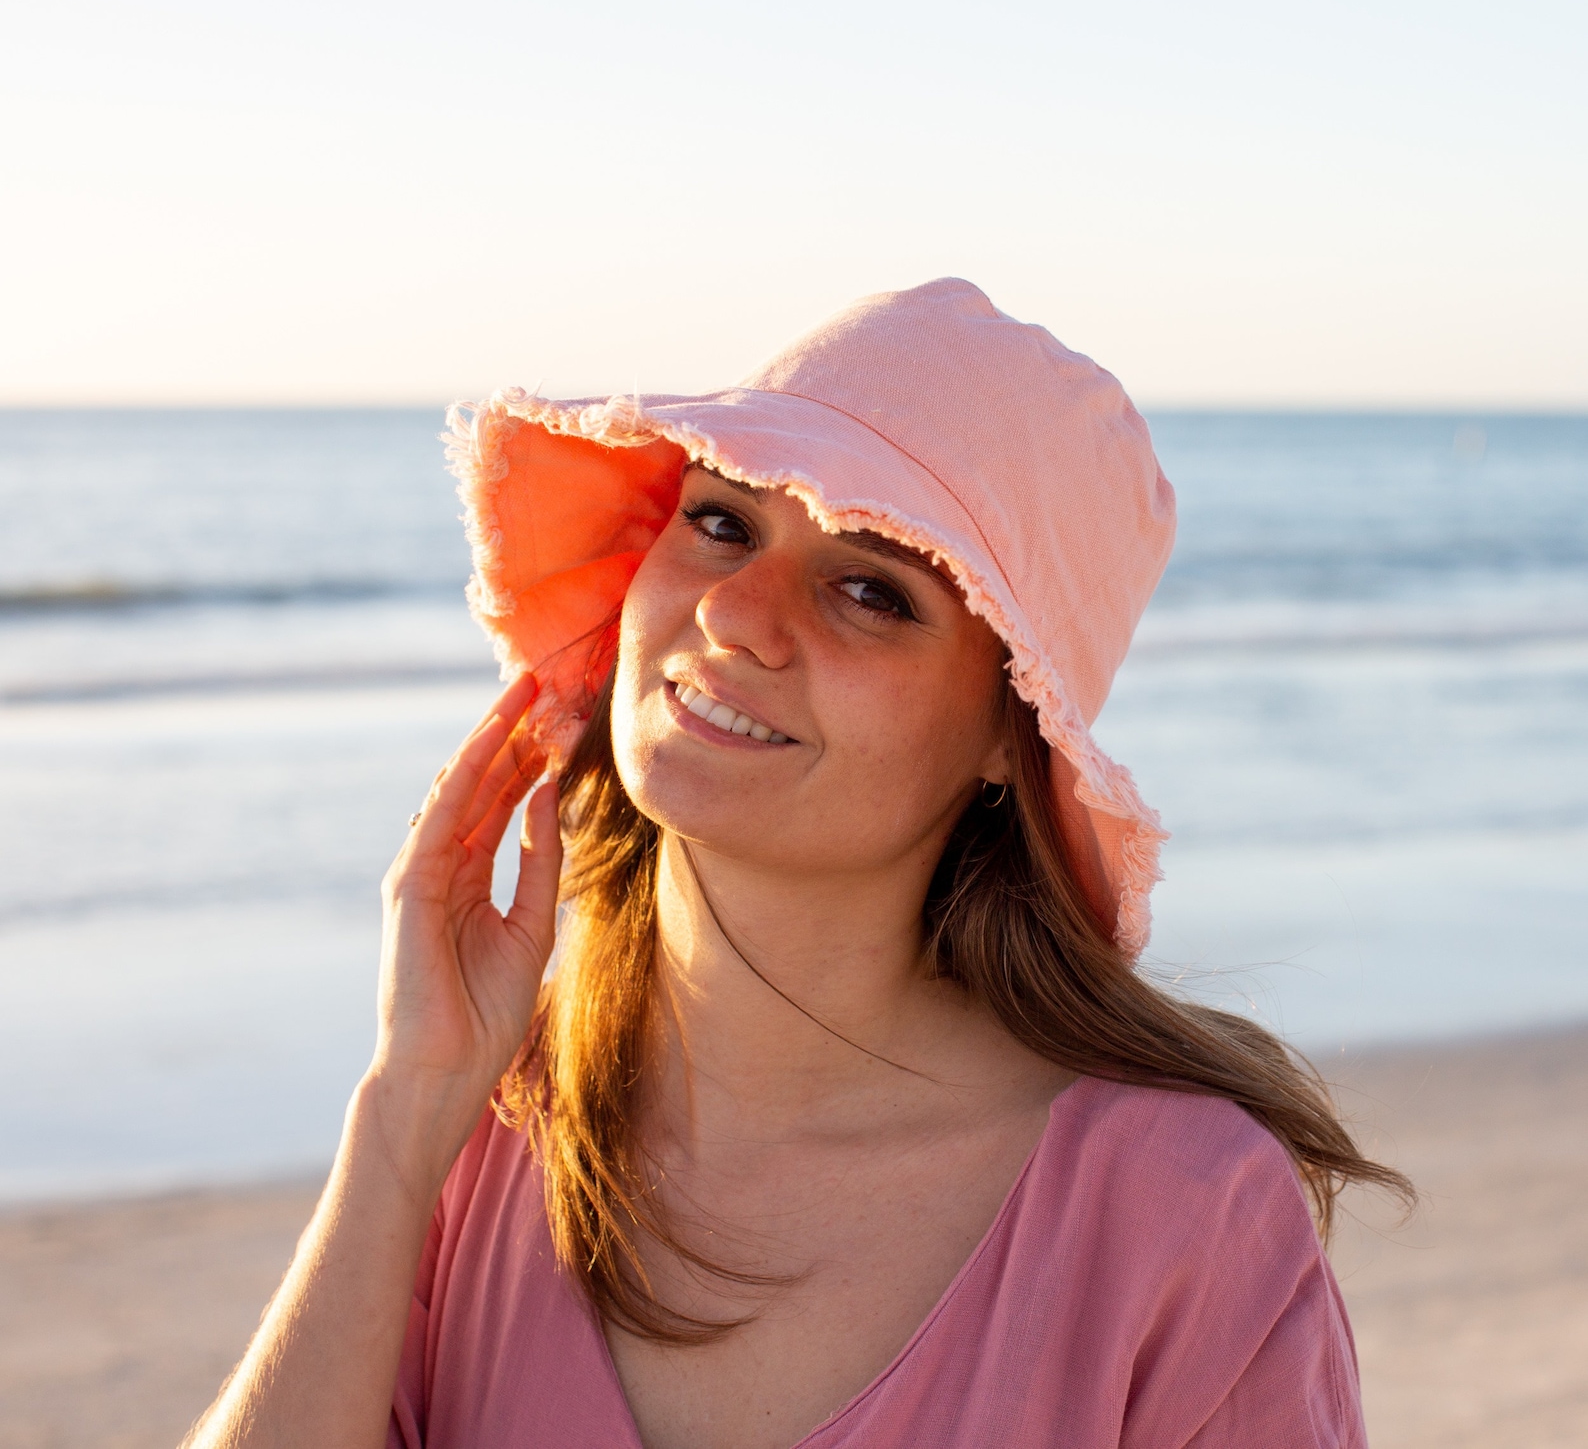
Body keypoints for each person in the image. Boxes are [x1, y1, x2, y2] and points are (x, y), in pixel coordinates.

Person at [187, 279, 1409, 1449]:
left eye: (871, 591)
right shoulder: (477, 1136)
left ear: (1006, 731)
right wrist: (405, 1104)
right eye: (721, 521)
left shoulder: (1172, 1212)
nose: (735, 614)